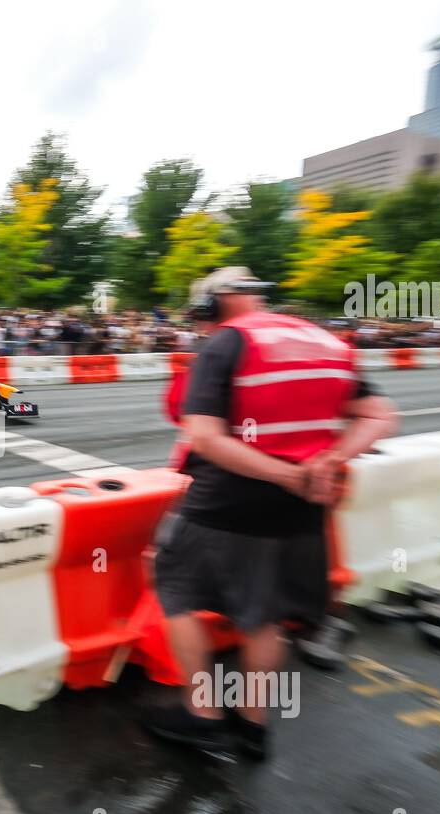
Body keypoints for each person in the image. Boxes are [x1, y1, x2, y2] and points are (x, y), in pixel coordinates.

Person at [146, 267, 398, 759]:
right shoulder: (327, 340)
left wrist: (285, 473)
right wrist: (328, 461)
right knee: (264, 614)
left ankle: (204, 715)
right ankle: (253, 727)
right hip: (305, 506)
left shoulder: (226, 343)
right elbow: (382, 415)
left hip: (229, 499)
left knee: (172, 581)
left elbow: (204, 437)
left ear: (216, 304)